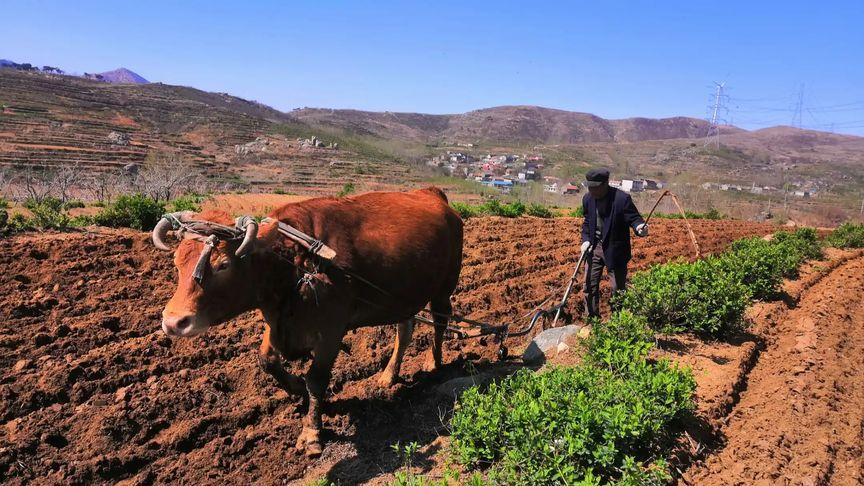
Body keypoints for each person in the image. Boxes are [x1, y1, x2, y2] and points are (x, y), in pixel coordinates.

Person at [580, 168, 648, 318]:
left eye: (595, 187)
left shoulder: (621, 199)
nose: (592, 190)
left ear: (605, 184)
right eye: (589, 187)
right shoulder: (587, 199)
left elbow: (634, 218)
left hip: (615, 249)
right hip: (594, 247)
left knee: (618, 288)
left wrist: (639, 227)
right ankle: (591, 320)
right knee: (589, 285)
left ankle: (618, 322)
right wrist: (585, 240)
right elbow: (587, 222)